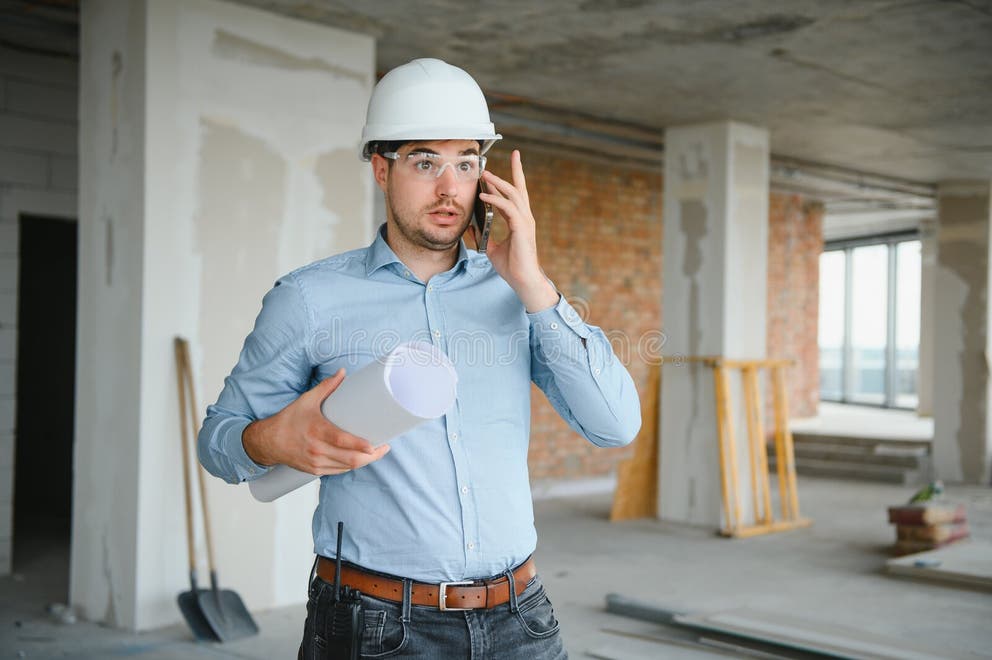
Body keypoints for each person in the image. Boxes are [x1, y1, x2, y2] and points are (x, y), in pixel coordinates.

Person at [198, 58, 641, 660]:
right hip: (375, 626)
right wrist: (270, 440)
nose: (449, 188)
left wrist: (535, 285)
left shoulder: (517, 293)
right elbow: (217, 441)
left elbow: (615, 425)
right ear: (381, 169)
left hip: (522, 620)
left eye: (467, 162)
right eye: (425, 162)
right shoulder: (308, 299)